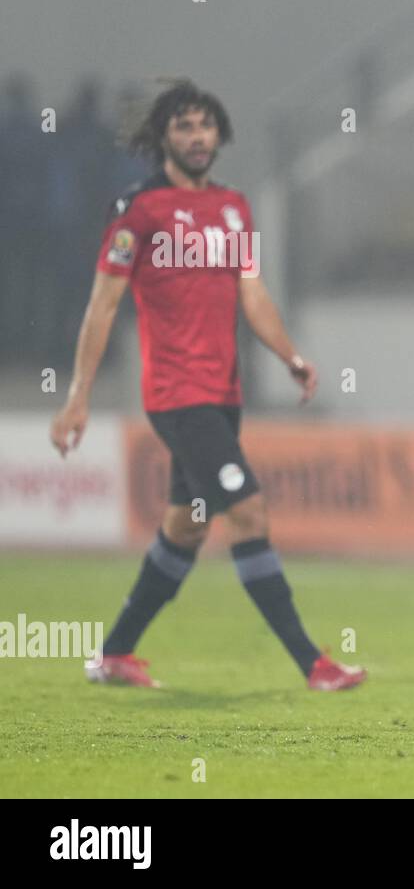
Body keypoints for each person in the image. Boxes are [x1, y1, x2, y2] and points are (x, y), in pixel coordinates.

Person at [49, 80, 365, 691]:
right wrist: (78, 397)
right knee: (246, 510)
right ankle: (314, 664)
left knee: (186, 525)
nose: (197, 137)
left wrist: (289, 355)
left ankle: (114, 654)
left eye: (205, 126)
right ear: (163, 135)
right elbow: (102, 306)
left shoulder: (232, 207)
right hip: (176, 395)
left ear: (219, 134)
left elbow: (252, 292)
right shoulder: (138, 210)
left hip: (223, 396)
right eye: (184, 126)